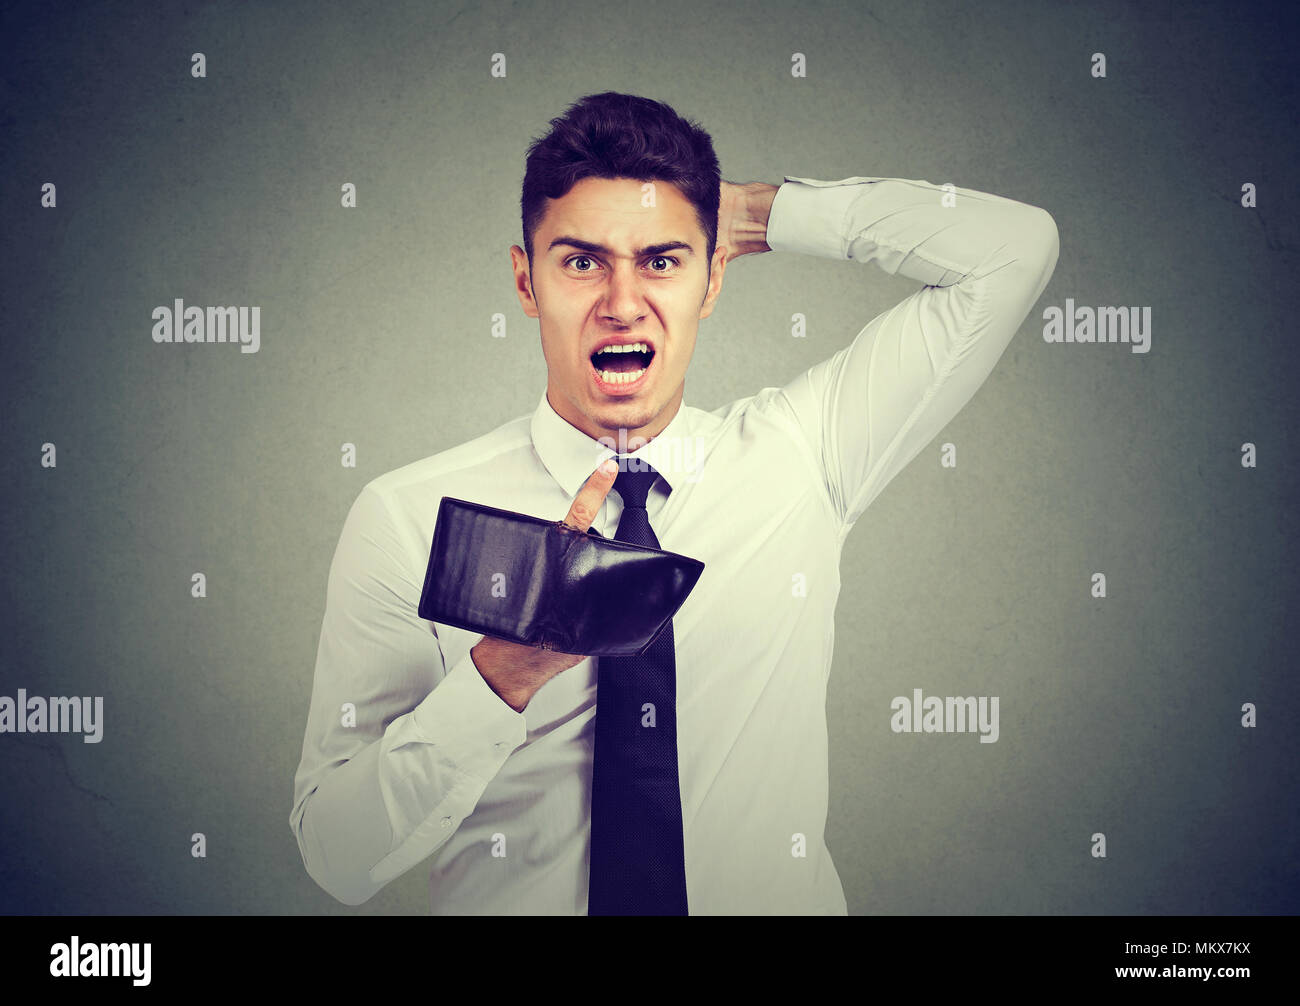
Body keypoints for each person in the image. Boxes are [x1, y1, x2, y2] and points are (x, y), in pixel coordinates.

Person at [289, 90, 1060, 914]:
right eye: (582, 262)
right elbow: (337, 855)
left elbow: (1013, 250)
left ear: (713, 278)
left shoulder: (804, 455)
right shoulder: (409, 517)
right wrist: (500, 677)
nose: (622, 302)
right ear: (525, 281)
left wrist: (759, 213)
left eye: (661, 260)